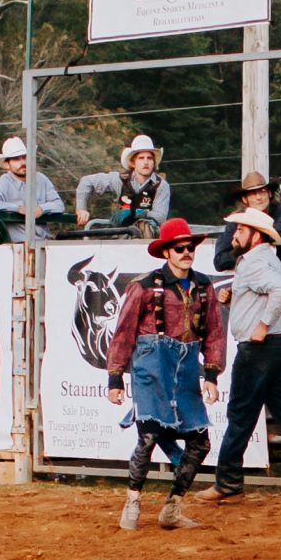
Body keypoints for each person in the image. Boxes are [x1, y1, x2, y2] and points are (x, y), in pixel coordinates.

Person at [197, 207, 281, 505]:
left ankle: (228, 482)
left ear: (255, 235)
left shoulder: (253, 263)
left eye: (241, 230)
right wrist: (238, 300)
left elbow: (280, 292)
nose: (235, 235)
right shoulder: (265, 258)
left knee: (240, 413)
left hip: (259, 348)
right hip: (277, 344)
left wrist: (260, 325)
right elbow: (272, 292)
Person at [105, 216, 225, 531]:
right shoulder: (144, 287)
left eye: (190, 247)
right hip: (150, 368)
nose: (186, 252)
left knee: (200, 442)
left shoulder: (203, 286)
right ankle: (133, 500)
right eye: (179, 248)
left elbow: (213, 331)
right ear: (167, 252)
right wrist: (115, 377)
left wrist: (211, 374)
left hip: (184, 370)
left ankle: (173, 506)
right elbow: (124, 332)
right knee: (148, 436)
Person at [214, 170, 281, 333]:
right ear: (245, 198)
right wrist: (247, 249)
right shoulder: (237, 221)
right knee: (255, 330)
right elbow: (220, 260)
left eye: (262, 191)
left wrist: (257, 235)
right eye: (252, 193)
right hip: (253, 288)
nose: (258, 197)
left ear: (269, 193)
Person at [75, 133, 170, 230]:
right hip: (120, 236)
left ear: (154, 162)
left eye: (149, 158)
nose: (146, 162)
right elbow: (86, 181)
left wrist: (139, 213)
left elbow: (160, 217)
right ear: (133, 163)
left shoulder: (161, 185)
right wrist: (81, 209)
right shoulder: (120, 180)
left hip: (147, 238)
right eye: (141, 158)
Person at [0, 136, 64, 241]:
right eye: (16, 159)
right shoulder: (3, 183)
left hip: (45, 241)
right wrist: (17, 208)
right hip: (17, 245)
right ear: (6, 164)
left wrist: (42, 208)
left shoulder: (41, 179)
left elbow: (59, 205)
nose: (22, 162)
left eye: (24, 157)